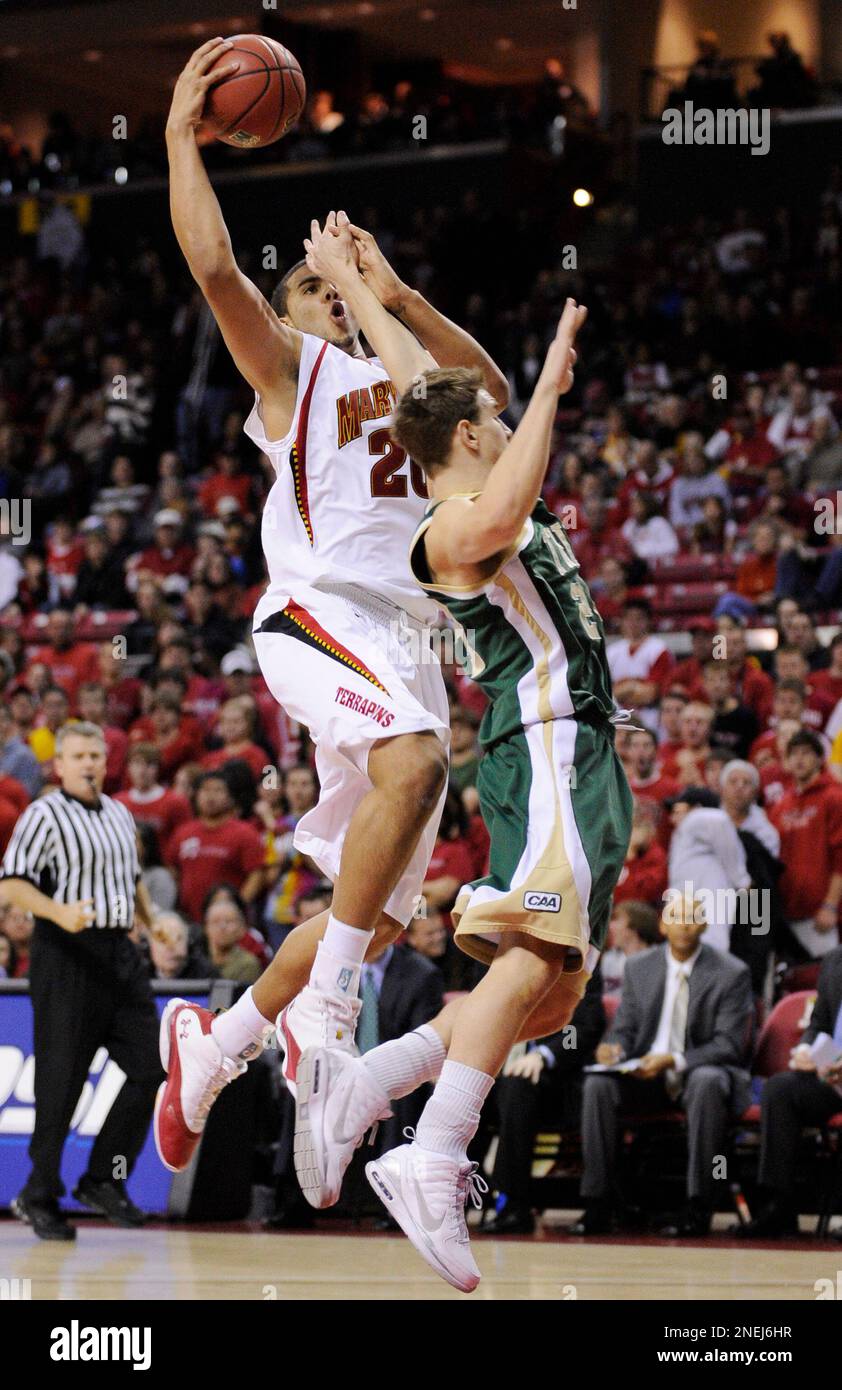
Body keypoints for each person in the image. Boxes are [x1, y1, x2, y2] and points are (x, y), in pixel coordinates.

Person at [155, 39, 510, 1174]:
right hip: (313, 610)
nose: (327, 300)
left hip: (404, 640)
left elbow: (489, 395)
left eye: (332, 288)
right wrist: (177, 134)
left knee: (375, 901)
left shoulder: (408, 383)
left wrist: (390, 286)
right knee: (411, 764)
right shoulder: (292, 374)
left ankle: (216, 1048)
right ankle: (322, 1019)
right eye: (310, 288)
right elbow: (215, 268)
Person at [290, 294, 631, 1292]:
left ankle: (370, 1079)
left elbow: (419, 391)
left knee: (553, 990)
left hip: (586, 752)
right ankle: (433, 1152)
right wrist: (552, 391)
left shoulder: (454, 440)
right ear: (476, 433)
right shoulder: (451, 524)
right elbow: (501, 502)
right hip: (547, 740)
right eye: (494, 411)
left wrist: (376, 288)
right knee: (531, 963)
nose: (501, 405)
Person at [1, 722, 163, 1240]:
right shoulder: (43, 814)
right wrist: (57, 912)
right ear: (60, 765)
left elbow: (131, 878)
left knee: (152, 1067)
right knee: (60, 1082)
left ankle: (102, 1178)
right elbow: (10, 883)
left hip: (120, 955)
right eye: (79, 755)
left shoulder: (119, 813)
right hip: (66, 954)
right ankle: (39, 1193)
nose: (90, 763)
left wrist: (151, 919)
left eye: (96, 753)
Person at [575, 894, 753, 1237]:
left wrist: (674, 1060)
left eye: (693, 917)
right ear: (662, 924)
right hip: (645, 1075)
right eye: (677, 916)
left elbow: (728, 1045)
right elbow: (624, 1029)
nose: (684, 924)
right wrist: (613, 1049)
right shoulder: (640, 966)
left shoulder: (732, 972)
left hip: (697, 1073)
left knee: (707, 1082)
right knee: (598, 1085)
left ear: (703, 925)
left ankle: (698, 1206)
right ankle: (597, 1204)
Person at [480, 970, 605, 1235]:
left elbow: (583, 1029)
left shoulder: (579, 965)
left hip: (555, 1082)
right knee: (461, 1084)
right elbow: (479, 1018)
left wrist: (544, 1055)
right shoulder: (496, 961)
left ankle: (512, 1205)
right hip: (496, 1071)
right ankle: (449, 1198)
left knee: (517, 1086)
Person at [737, 945, 842, 1237]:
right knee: (780, 1089)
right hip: (832, 1075)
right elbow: (819, 1022)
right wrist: (807, 1050)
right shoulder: (835, 959)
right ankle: (779, 1206)